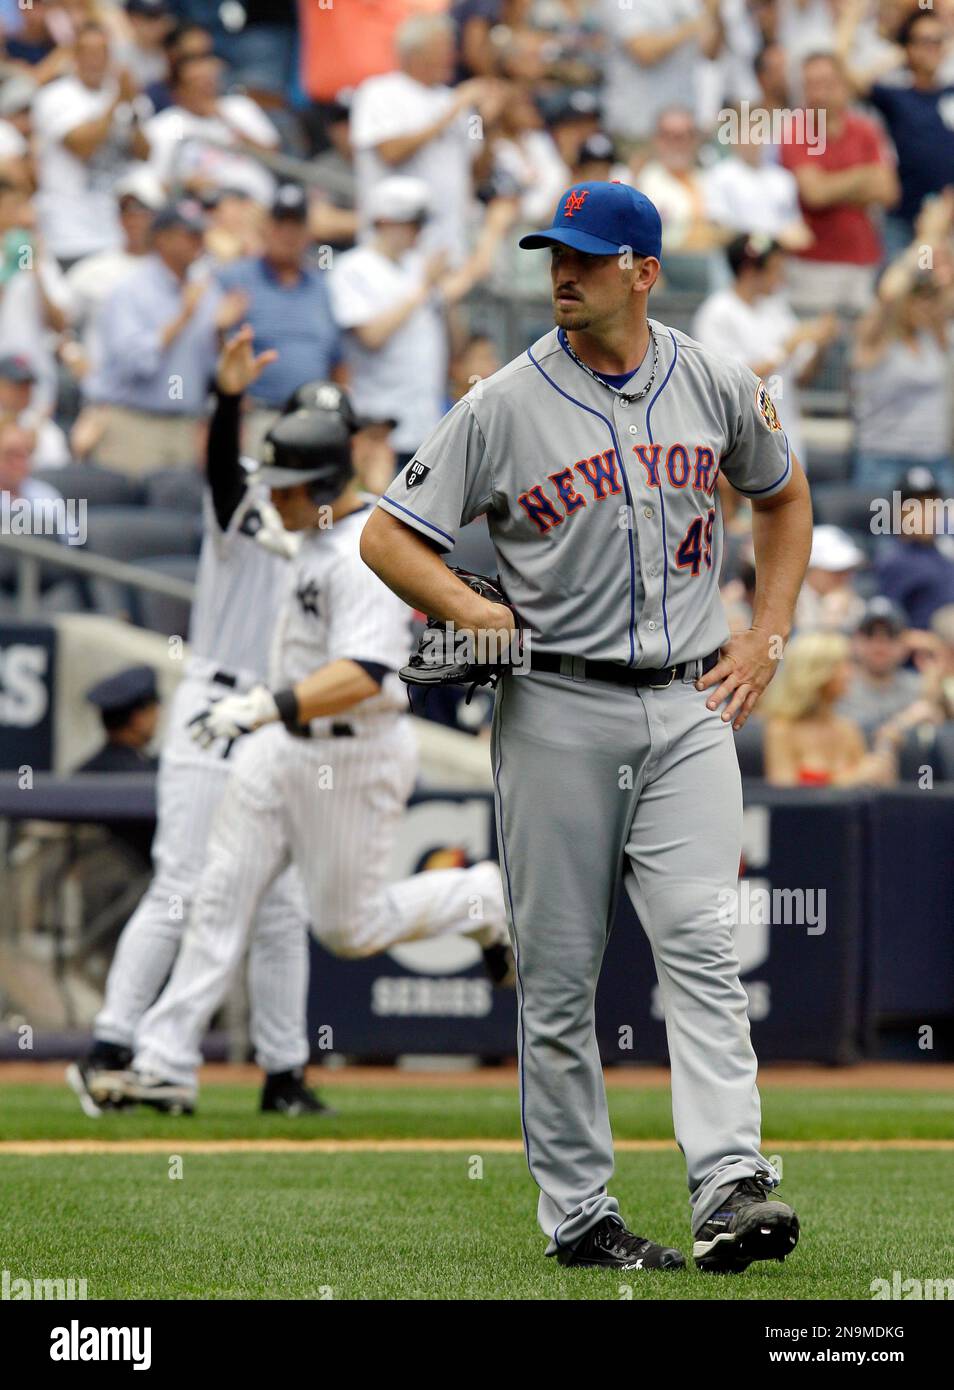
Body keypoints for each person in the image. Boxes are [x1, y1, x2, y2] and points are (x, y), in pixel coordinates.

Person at [361, 179, 811, 1274]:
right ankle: (580, 1215)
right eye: (554, 253)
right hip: (556, 702)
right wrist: (471, 606)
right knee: (561, 971)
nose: (563, 272)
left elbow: (783, 495)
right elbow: (387, 535)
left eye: (587, 256)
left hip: (692, 696)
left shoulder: (708, 378)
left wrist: (767, 637)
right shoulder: (504, 400)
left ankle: (731, 1182)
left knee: (701, 942)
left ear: (643, 272)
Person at [99, 364, 514, 1115]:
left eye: (289, 485)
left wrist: (260, 707)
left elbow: (365, 671)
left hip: (352, 749)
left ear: (323, 488)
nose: (276, 494)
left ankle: (482, 898)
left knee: (347, 928)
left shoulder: (369, 554)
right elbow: (286, 538)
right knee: (219, 895)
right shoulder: (315, 537)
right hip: (282, 747)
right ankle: (164, 1059)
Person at [67, 328, 324, 1123]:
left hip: (282, 716)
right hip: (218, 702)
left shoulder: (341, 525)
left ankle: (283, 1074)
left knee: (281, 902)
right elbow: (217, 468)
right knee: (182, 882)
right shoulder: (247, 491)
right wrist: (225, 398)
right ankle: (112, 1047)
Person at [329, 176, 515, 472]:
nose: (419, 232)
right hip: (377, 429)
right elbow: (372, 336)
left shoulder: (417, 264)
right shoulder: (353, 268)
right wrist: (424, 288)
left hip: (424, 425)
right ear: (385, 221)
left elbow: (470, 276)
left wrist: (492, 230)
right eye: (412, 223)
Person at [81, 198, 247, 474]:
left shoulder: (207, 291)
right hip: (131, 424)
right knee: (127, 514)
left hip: (184, 428)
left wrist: (220, 332)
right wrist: (183, 317)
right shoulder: (129, 290)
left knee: (179, 514)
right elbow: (134, 363)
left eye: (200, 234)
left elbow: (214, 373)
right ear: (162, 238)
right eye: (189, 234)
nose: (198, 241)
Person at [349, 13, 504, 263]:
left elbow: (478, 171)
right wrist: (451, 111)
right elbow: (391, 152)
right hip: (392, 246)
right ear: (415, 53)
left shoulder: (451, 98)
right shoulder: (378, 92)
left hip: (448, 245)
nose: (452, 57)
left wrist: (489, 123)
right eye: (443, 49)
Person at [216, 183, 343, 454]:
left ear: (307, 233)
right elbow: (210, 351)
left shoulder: (321, 286)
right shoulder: (236, 277)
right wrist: (218, 329)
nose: (288, 234)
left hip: (314, 418)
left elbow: (337, 358)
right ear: (266, 228)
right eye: (280, 224)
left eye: (296, 225)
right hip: (257, 418)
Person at [693, 233, 838, 466]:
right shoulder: (716, 312)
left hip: (786, 438)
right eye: (776, 269)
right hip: (739, 443)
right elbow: (729, 379)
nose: (781, 278)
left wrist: (820, 346)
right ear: (750, 271)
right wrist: (786, 348)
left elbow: (802, 377)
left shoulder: (776, 309)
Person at [779, 50, 898, 313]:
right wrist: (862, 176)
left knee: (859, 342)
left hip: (865, 258)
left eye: (827, 84)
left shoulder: (866, 129)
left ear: (843, 85)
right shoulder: (797, 130)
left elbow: (888, 191)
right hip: (814, 263)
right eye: (811, 85)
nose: (819, 93)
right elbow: (815, 194)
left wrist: (833, 184)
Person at [851, 194, 954, 495]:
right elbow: (890, 293)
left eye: (930, 297)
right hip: (883, 462)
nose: (926, 304)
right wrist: (927, 237)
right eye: (918, 296)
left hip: (936, 461)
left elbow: (945, 286)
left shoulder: (937, 335)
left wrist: (942, 235)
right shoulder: (877, 338)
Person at [30, 21, 150, 267]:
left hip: (120, 229)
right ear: (74, 56)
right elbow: (82, 147)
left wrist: (132, 108)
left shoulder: (127, 95)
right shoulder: (54, 97)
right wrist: (118, 102)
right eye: (88, 52)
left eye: (102, 52)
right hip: (72, 231)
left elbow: (144, 153)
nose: (95, 60)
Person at [841, 6, 954, 258]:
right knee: (897, 287)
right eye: (924, 41)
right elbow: (849, 78)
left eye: (938, 41)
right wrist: (851, 17)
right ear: (908, 47)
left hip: (947, 222)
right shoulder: (897, 96)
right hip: (904, 220)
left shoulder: (951, 93)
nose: (932, 48)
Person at [761, 630, 901, 786]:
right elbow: (785, 793)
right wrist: (853, 778)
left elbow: (866, 793)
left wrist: (883, 761)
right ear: (817, 673)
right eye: (843, 664)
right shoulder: (782, 729)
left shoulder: (848, 729)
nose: (850, 673)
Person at [62, 166, 165, 375]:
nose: (133, 219)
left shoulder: (180, 270)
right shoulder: (92, 269)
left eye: (143, 211)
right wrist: (73, 355)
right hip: (106, 395)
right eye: (126, 210)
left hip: (163, 394)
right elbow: (59, 326)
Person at [143, 50, 279, 207]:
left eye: (209, 81)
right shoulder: (163, 126)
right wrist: (188, 183)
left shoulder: (240, 107)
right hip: (200, 210)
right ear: (178, 91)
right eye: (196, 83)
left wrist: (226, 121)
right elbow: (157, 183)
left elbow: (276, 160)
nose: (205, 88)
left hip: (258, 203)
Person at [598, 0, 723, 147]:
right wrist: (693, 26)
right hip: (637, 128)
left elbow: (711, 53)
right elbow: (644, 52)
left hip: (683, 123)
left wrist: (713, 12)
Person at [836, 596, 927, 742]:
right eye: (870, 633)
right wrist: (905, 721)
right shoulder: (840, 686)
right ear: (855, 640)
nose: (880, 644)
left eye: (891, 634)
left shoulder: (920, 687)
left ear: (905, 643)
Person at [875, 466, 954, 630]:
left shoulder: (946, 550)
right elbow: (886, 627)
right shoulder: (894, 560)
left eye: (932, 504)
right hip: (926, 650)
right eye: (915, 506)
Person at [78, 665, 160, 773]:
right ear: (139, 719)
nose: (157, 718)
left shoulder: (82, 773)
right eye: (153, 710)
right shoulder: (147, 777)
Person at [0, 354, 70, 468]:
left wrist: (31, 451)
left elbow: (57, 473)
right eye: (16, 386)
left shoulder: (45, 430)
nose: (22, 393)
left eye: (27, 387)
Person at [794, 523, 866, 632]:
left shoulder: (856, 605)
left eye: (848, 570)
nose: (844, 577)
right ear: (810, 568)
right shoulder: (790, 602)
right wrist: (830, 619)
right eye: (836, 571)